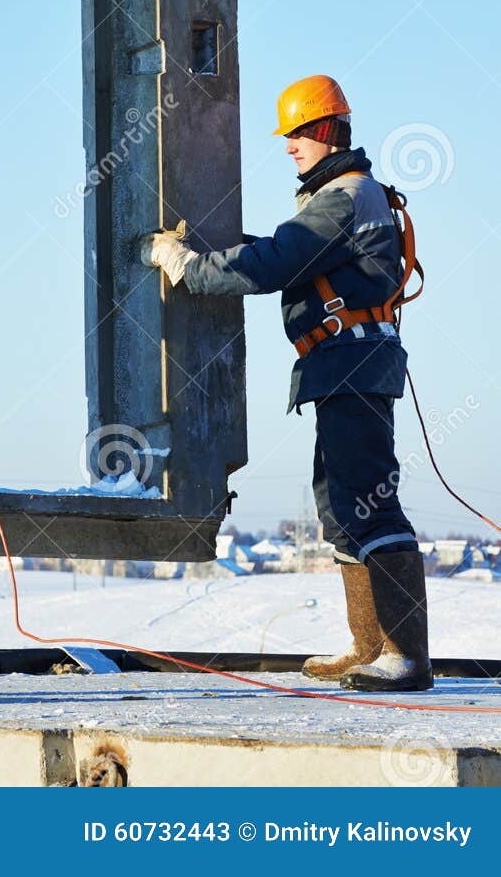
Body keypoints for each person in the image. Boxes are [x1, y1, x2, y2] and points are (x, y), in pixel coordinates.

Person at [147, 75, 432, 692]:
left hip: (352, 364)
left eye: (299, 132)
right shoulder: (340, 197)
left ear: (327, 131)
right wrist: (208, 252)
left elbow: (279, 262)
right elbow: (285, 252)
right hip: (343, 365)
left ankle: (404, 655)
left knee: (369, 501)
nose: (289, 145)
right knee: (341, 505)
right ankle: (370, 648)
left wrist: (191, 269)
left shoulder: (344, 196)